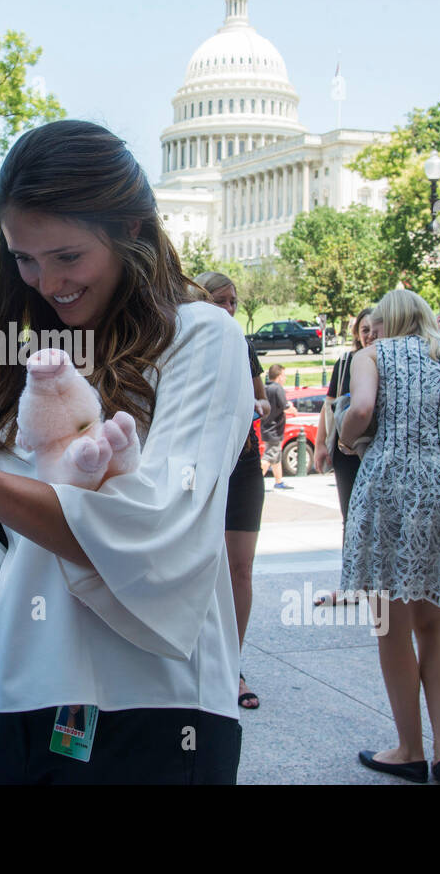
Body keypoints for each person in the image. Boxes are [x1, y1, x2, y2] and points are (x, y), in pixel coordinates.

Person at [0, 119, 250, 783]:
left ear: (133, 231)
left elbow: (158, 527)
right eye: (24, 258)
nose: (44, 281)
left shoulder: (203, 338)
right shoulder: (34, 356)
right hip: (28, 695)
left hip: (153, 705)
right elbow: (22, 561)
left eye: (66, 255)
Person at [338, 289, 440, 783]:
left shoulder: (373, 354)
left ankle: (409, 749)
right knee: (434, 625)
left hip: (392, 485)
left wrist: (344, 437)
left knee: (390, 624)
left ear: (386, 322)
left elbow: (360, 410)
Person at [195, 271, 267, 710]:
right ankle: (201, 658)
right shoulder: (187, 343)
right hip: (202, 465)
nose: (228, 310)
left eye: (233, 302)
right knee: (204, 565)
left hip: (244, 463)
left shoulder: (242, 345)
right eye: (219, 301)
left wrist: (258, 406)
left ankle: (232, 665)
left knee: (240, 568)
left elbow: (260, 396)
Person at [313, 306, 380, 607]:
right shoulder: (346, 362)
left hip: (379, 449)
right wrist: (320, 444)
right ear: (357, 333)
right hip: (345, 449)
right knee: (351, 517)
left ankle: (378, 582)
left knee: (380, 517)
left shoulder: (388, 361)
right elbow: (328, 407)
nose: (370, 334)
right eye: (364, 329)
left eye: (375, 328)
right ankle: (352, 583)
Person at [261, 364, 291, 489]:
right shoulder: (278, 389)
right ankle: (256, 480)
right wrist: (293, 409)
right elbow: (285, 407)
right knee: (269, 456)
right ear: (279, 376)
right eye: (283, 375)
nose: (285, 378)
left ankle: (279, 481)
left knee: (276, 457)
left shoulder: (265, 387)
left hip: (267, 427)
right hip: (275, 429)